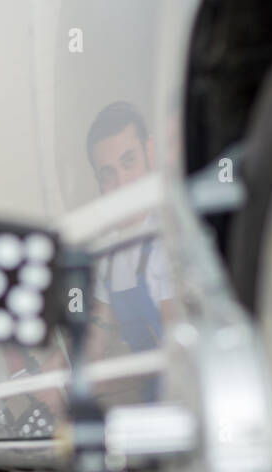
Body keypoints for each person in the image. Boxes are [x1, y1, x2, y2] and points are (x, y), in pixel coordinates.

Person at [85, 101, 176, 373]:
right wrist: (60, 363)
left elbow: (176, 358)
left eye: (128, 162)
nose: (122, 183)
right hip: (151, 399)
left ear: (150, 151)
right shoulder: (110, 250)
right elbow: (97, 332)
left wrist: (84, 385)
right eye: (108, 174)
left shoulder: (169, 239)